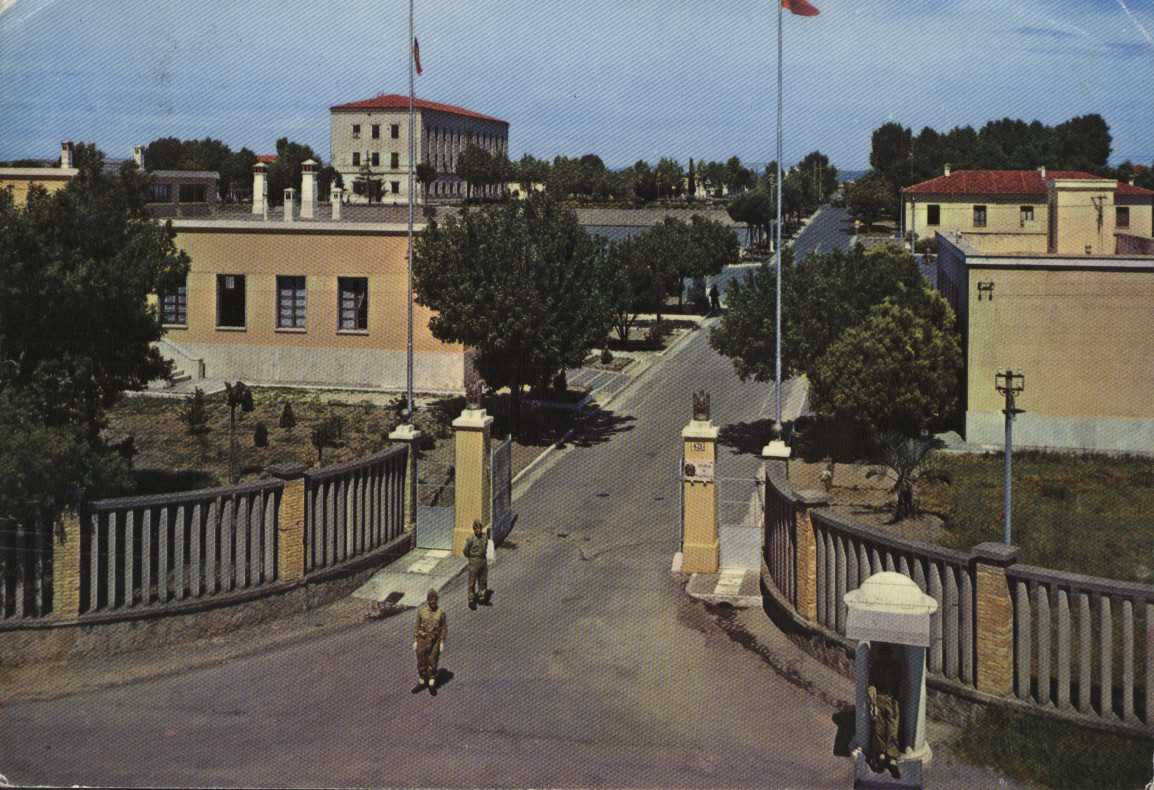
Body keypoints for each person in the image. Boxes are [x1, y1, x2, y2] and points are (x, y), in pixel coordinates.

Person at [412, 589, 447, 694]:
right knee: (421, 661)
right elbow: (417, 626)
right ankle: (422, 682)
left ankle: (431, 683)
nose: (433, 602)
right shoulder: (421, 612)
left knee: (433, 662)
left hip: (435, 641)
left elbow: (444, 628)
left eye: (435, 600)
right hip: (422, 640)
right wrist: (415, 640)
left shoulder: (441, 613)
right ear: (428, 601)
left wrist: (442, 642)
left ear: (437, 600)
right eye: (431, 600)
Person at [463, 518, 491, 609]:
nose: (477, 530)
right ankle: (471, 600)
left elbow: (486, 546)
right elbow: (466, 551)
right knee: (472, 581)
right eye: (475, 528)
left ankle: (481, 597)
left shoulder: (484, 537)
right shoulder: (471, 539)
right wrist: (471, 558)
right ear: (474, 529)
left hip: (483, 560)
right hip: (474, 561)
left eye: (479, 528)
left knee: (482, 579)